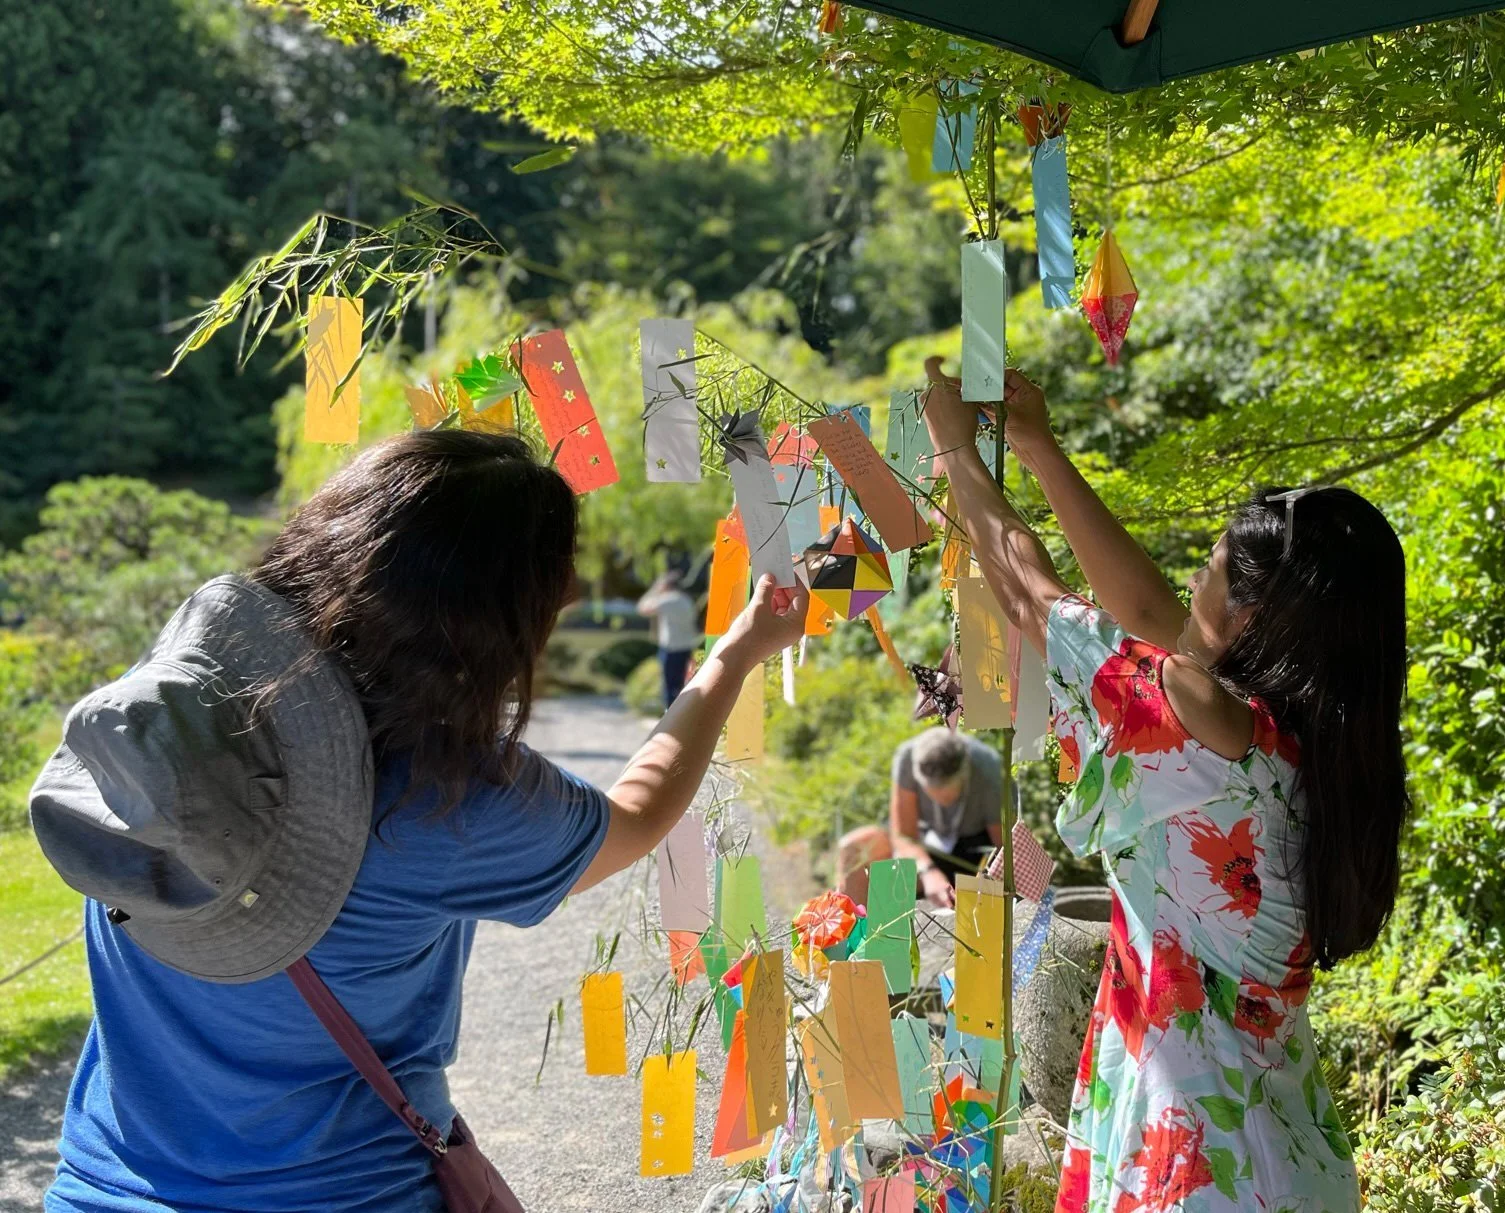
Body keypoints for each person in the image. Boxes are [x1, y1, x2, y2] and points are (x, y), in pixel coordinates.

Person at [30, 430, 807, 1213]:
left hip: (99, 1189)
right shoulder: (445, 796)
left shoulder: (167, 715)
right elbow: (636, 818)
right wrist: (734, 654)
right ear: (496, 617)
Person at [920, 356, 1405, 1213]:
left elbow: (1036, 600)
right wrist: (1035, 447)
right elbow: (1150, 617)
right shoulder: (1309, 747)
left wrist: (958, 456)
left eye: (1210, 567)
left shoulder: (1196, 723)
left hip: (1196, 1167)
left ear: (1251, 614)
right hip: (1283, 1152)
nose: (1190, 580)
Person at [836, 727, 1003, 908]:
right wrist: (929, 872)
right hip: (923, 852)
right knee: (853, 848)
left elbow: (1001, 843)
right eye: (931, 791)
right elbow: (903, 835)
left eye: (947, 791)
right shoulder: (907, 757)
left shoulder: (986, 765)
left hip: (971, 854)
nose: (940, 800)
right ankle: (856, 933)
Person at [636, 569, 701, 709]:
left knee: (669, 685)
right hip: (686, 646)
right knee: (680, 683)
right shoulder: (686, 600)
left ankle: (669, 713)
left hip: (671, 648)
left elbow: (642, 608)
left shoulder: (667, 600)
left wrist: (654, 590)